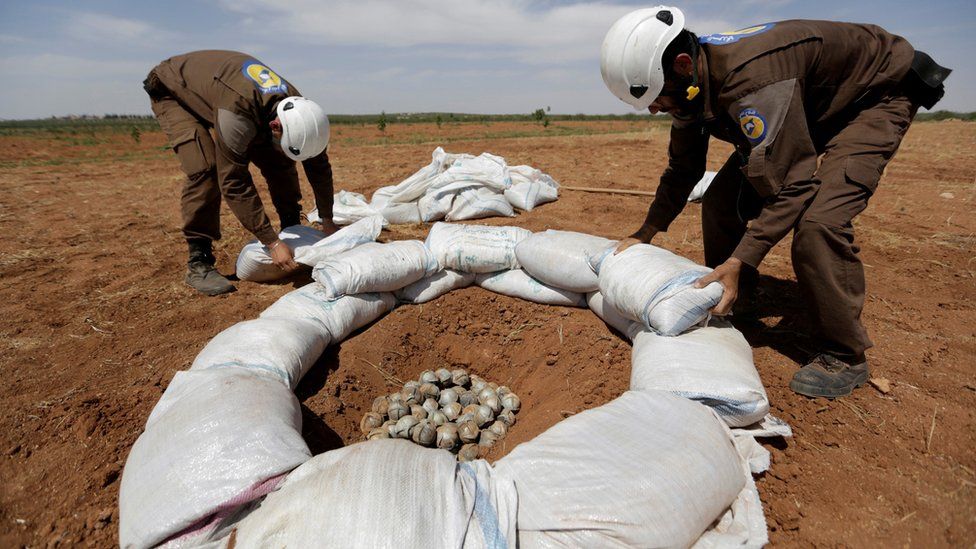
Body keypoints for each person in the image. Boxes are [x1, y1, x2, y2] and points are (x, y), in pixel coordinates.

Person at [600, 7, 950, 397]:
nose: (654, 108)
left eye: (657, 97)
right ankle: (737, 300)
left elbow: (794, 186)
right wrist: (647, 231)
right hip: (814, 103)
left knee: (819, 223)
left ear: (683, 65)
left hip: (874, 96)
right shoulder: (690, 85)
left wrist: (740, 259)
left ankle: (844, 354)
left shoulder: (751, 82)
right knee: (720, 203)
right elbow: (684, 167)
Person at [144, 50, 339, 296]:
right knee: (207, 169)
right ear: (275, 125)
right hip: (172, 90)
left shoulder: (302, 113)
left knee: (279, 160)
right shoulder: (237, 117)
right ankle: (199, 261)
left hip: (227, 94)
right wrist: (272, 242)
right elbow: (234, 182)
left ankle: (291, 225)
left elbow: (318, 167)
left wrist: (327, 219)